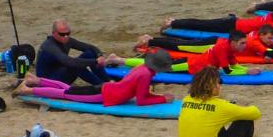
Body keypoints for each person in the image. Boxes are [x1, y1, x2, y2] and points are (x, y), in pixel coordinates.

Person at [15, 50, 173, 106]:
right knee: (66, 93)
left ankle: (35, 80)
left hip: (106, 89)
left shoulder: (143, 69)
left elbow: (142, 94)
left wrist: (159, 96)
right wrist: (162, 99)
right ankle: (28, 89)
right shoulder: (146, 75)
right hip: (104, 95)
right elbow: (141, 101)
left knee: (68, 89)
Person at [177, 67, 262, 137]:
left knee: (212, 121)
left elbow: (208, 111)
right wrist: (236, 109)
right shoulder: (221, 106)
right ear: (210, 86)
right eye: (219, 82)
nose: (220, 86)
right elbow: (256, 113)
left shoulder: (186, 100)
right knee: (245, 120)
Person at [35, 19, 124, 86]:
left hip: (61, 74)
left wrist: (99, 56)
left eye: (68, 33)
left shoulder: (67, 40)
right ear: (54, 33)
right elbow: (69, 62)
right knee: (75, 65)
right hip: (48, 81)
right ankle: (101, 85)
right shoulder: (49, 46)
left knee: (89, 53)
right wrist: (95, 61)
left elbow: (90, 47)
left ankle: (108, 81)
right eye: (62, 34)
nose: (66, 36)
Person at [139, 25, 273, 61]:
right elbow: (270, 53)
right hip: (212, 46)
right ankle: (149, 41)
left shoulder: (257, 37)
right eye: (270, 38)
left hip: (217, 40)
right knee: (182, 46)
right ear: (261, 35)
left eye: (272, 39)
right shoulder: (254, 42)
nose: (272, 41)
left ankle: (151, 39)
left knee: (184, 43)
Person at [165, 5, 273, 37]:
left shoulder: (271, 17)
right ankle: (174, 22)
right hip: (230, 26)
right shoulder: (271, 24)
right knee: (203, 24)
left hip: (235, 21)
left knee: (204, 23)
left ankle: (174, 21)